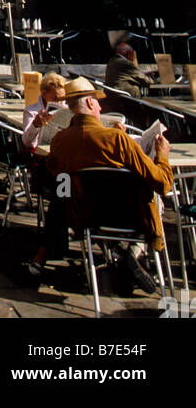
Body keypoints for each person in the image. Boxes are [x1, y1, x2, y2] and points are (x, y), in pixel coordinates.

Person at [27, 76, 172, 291]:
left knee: (63, 188)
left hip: (82, 214)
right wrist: (161, 155)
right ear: (90, 103)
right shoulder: (118, 140)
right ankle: (133, 252)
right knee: (153, 197)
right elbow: (163, 183)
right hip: (129, 214)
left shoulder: (60, 141)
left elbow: (58, 176)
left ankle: (116, 252)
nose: (101, 106)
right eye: (98, 101)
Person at [21, 72, 67, 153]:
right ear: (44, 94)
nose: (59, 103)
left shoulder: (66, 108)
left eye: (62, 99)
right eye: (55, 99)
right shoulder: (31, 111)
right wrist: (35, 124)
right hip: (40, 154)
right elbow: (26, 142)